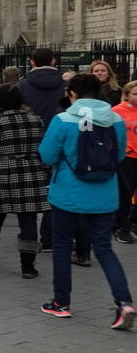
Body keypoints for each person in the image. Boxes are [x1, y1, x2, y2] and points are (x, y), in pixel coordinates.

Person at [37, 73, 134, 328]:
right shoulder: (115, 119)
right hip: (104, 193)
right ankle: (124, 302)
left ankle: (61, 303)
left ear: (72, 94)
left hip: (67, 193)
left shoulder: (63, 119)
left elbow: (46, 155)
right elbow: (120, 156)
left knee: (61, 245)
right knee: (103, 248)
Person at [0, 85, 49, 279]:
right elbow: (44, 149)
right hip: (31, 171)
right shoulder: (36, 121)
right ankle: (28, 265)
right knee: (28, 218)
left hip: (2, 173)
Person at [20, 48, 67, 250]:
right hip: (58, 140)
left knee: (28, 189)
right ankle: (48, 237)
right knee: (53, 188)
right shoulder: (65, 85)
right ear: (54, 60)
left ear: (32, 62)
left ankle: (27, 234)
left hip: (30, 141)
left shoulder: (22, 85)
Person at [112, 80, 137, 244]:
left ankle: (133, 222)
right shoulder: (116, 112)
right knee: (125, 193)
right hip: (127, 158)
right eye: (135, 94)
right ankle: (121, 227)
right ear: (127, 95)